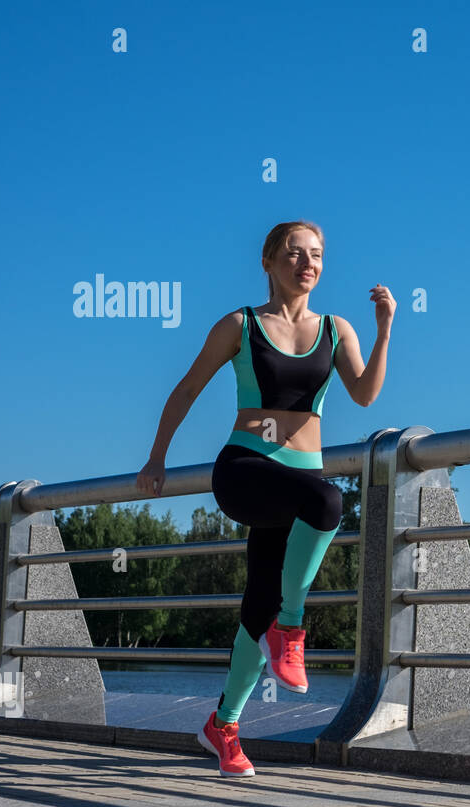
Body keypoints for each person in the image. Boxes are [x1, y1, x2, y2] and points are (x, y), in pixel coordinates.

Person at [135, 220, 395, 776]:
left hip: (297, 482)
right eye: (295, 254)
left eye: (317, 255)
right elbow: (186, 388)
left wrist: (384, 327)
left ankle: (223, 725)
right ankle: (293, 628)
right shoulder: (241, 324)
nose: (308, 263)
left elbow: (366, 396)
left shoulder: (336, 329)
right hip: (247, 470)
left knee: (258, 604)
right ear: (269, 262)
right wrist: (156, 457)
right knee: (329, 502)